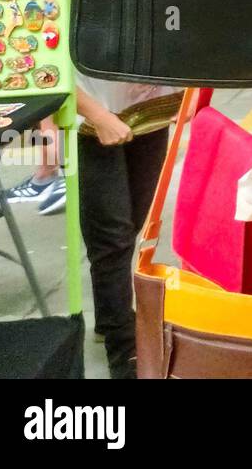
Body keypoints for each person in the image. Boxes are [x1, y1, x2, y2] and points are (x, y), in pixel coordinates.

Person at [75, 74, 177, 380]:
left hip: (154, 114)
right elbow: (46, 65)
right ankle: (123, 345)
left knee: (128, 226)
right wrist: (96, 114)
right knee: (112, 236)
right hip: (91, 121)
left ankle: (109, 317)